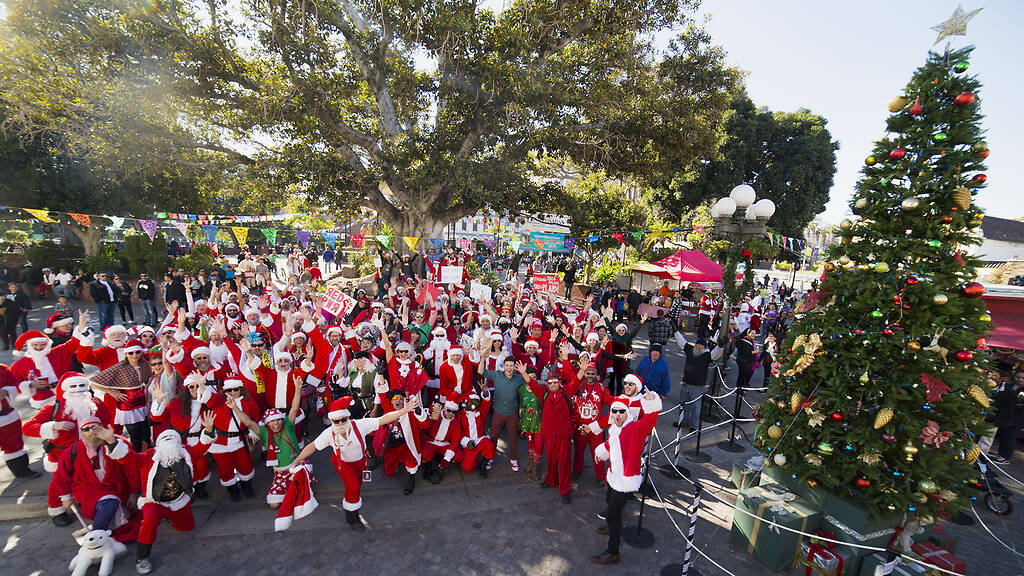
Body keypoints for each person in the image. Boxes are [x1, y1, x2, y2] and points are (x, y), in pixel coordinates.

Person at [99, 412, 216, 575]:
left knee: (187, 527)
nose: (168, 443)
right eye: (164, 440)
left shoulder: (186, 452)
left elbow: (202, 446)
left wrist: (209, 429)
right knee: (150, 520)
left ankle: (172, 518)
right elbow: (128, 457)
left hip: (179, 501)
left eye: (172, 440)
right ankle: (142, 557)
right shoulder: (149, 457)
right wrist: (111, 441)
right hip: (154, 502)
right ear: (158, 444)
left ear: (179, 443)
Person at [290, 395, 421, 531]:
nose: (340, 424)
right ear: (332, 421)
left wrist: (404, 410)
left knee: (358, 483)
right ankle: (352, 517)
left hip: (361, 462)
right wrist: (297, 460)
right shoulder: (328, 433)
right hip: (343, 464)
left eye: (343, 420)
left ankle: (353, 500)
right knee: (353, 487)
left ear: (348, 417)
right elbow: (313, 446)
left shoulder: (360, 424)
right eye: (336, 421)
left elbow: (383, 419)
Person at [591, 390, 661, 565]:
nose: (617, 414)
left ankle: (613, 552)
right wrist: (600, 453)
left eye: (621, 411)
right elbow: (610, 444)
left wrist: (651, 401)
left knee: (613, 514)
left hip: (626, 479)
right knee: (609, 501)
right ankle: (612, 526)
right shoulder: (614, 428)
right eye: (614, 411)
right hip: (614, 475)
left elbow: (651, 420)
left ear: (627, 413)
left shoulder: (635, 428)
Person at [50, 416, 133, 539]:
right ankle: (96, 538)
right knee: (109, 503)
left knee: (118, 511)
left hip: (116, 488)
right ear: (81, 432)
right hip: (88, 492)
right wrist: (66, 497)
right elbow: (61, 476)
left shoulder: (118, 443)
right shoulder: (72, 451)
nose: (91, 432)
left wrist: (134, 493)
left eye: (95, 428)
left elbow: (131, 470)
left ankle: (98, 536)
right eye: (86, 429)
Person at [518, 341, 581, 504]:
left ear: (559, 382)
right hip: (549, 434)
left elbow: (577, 381)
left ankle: (565, 489)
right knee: (551, 459)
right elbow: (531, 383)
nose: (553, 384)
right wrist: (524, 373)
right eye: (550, 382)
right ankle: (551, 480)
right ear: (547, 383)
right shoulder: (543, 393)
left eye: (555, 382)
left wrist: (568, 359)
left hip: (564, 434)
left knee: (564, 461)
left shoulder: (566, 392)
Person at [479, 353, 523, 472]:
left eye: (511, 365)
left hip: (512, 414)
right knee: (494, 437)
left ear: (514, 367)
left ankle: (513, 459)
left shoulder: (519, 378)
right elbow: (481, 371)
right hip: (498, 412)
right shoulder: (498, 375)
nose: (509, 368)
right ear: (503, 366)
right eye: (507, 365)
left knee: (513, 437)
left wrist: (524, 372)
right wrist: (483, 357)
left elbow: (530, 383)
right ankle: (490, 458)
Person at [0, 362, 40, 478]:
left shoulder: (2, 369)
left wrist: (6, 391)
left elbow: (14, 384)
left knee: (14, 445)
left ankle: (21, 470)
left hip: (5, 416)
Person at [674, 332, 712, 431]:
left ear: (704, 347)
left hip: (698, 386)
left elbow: (716, 354)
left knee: (696, 407)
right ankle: (683, 421)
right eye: (697, 345)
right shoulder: (690, 350)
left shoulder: (707, 355)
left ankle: (694, 425)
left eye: (701, 346)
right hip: (686, 383)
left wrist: (720, 346)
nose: (698, 347)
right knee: (683, 403)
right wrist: (676, 331)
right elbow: (682, 341)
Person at [991, 369, 1024, 463]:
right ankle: (1000, 452)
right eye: (1018, 377)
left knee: (1011, 436)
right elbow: (999, 397)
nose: (1020, 380)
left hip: (1017, 418)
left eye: (1023, 378)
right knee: (1003, 435)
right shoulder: (1008, 385)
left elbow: (1020, 406)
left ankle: (1006, 456)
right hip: (1004, 415)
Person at [2, 283, 31, 349]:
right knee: (9, 325)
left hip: (20, 310)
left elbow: (27, 302)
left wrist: (26, 308)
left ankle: (25, 336)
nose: (14, 288)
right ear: (9, 288)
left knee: (22, 322)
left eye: (15, 287)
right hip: (10, 313)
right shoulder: (6, 295)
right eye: (12, 287)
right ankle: (10, 339)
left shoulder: (22, 294)